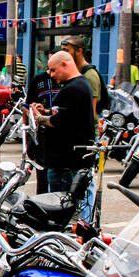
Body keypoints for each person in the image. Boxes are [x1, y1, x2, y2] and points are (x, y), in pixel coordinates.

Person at [30, 51, 96, 214]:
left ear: (65, 64)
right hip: (67, 160)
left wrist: (38, 117)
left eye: (53, 70)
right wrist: (45, 110)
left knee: (62, 208)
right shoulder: (79, 85)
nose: (51, 74)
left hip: (65, 162)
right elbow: (66, 114)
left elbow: (58, 121)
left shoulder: (74, 88)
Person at [60, 36, 105, 116]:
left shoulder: (89, 75)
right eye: (62, 50)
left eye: (66, 51)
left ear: (79, 51)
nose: (63, 55)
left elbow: (91, 112)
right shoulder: (75, 73)